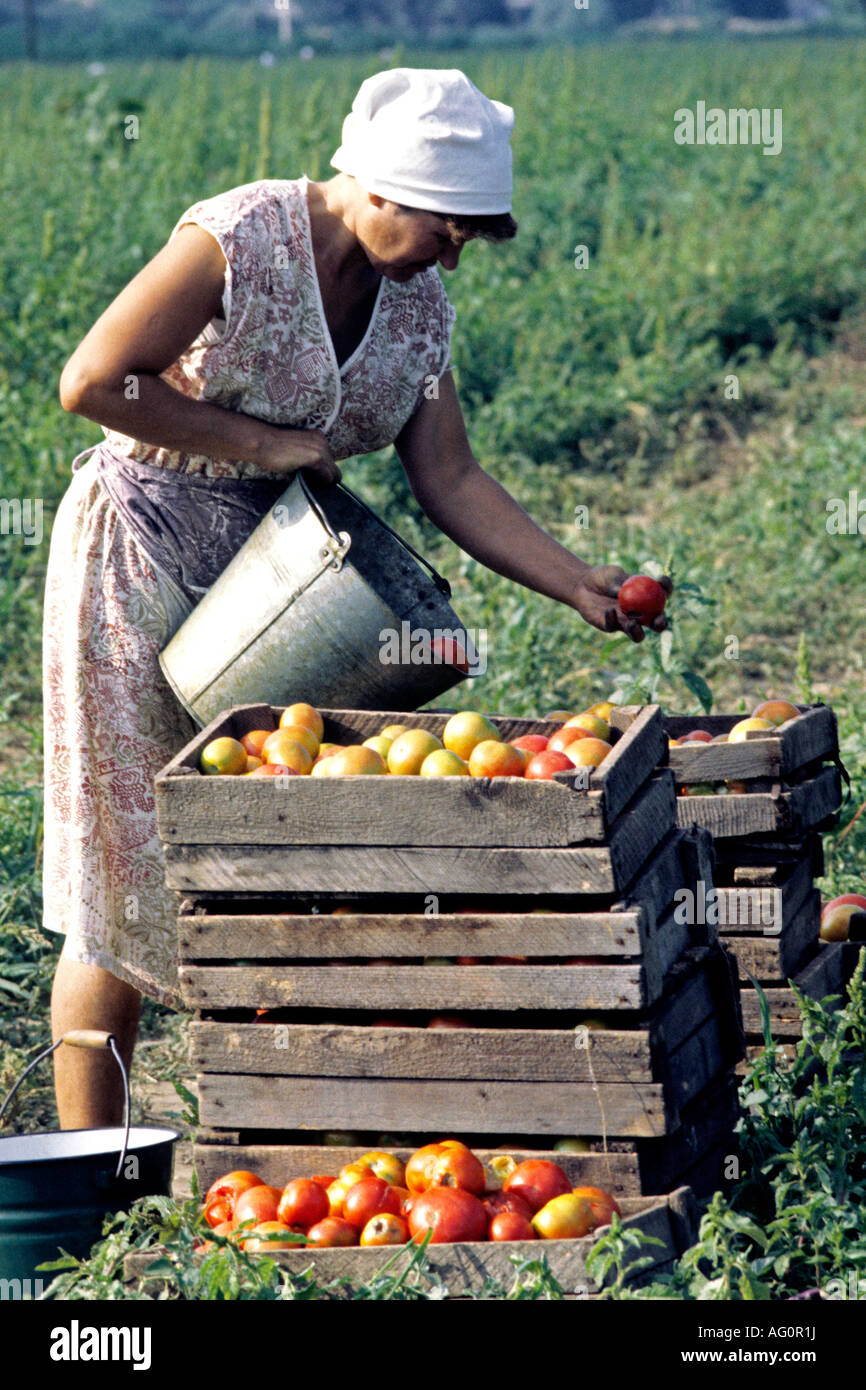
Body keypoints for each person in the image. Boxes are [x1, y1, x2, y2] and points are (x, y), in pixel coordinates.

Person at [47, 68, 669, 1129]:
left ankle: (268, 1126)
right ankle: (90, 1171)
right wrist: (258, 443)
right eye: (447, 225)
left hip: (284, 585)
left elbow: (451, 476)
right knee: (131, 866)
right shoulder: (238, 238)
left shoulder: (419, 312)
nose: (455, 250)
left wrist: (576, 582)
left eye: (471, 233)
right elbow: (96, 380)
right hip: (140, 555)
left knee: (261, 840)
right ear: (381, 190)